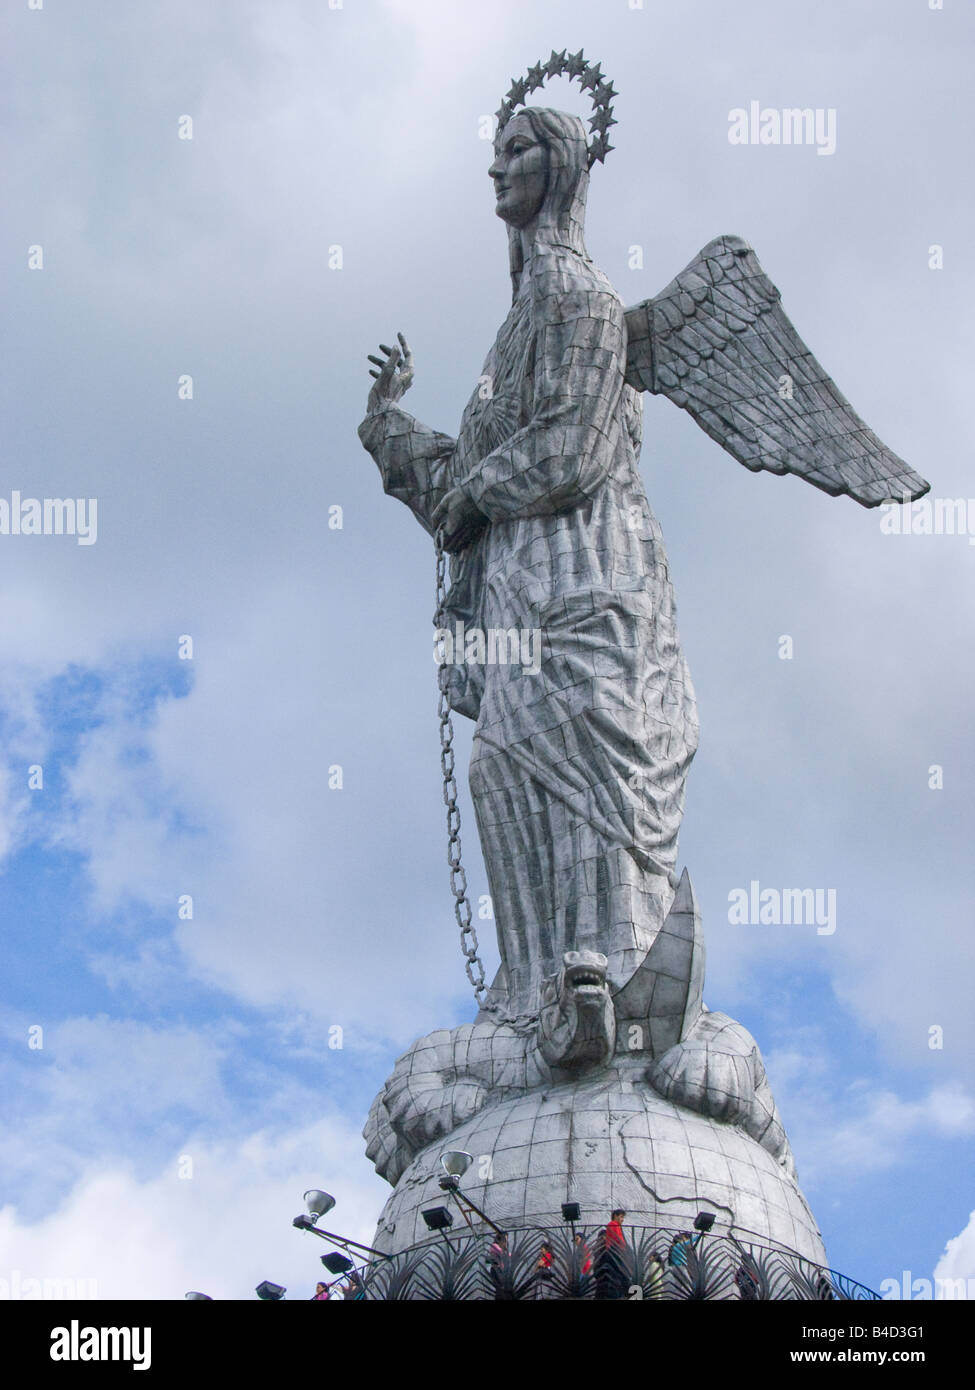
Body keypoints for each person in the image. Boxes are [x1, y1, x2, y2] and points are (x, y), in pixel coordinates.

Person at [359, 104, 699, 1023]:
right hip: (521, 586)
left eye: (516, 152)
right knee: (500, 768)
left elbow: (572, 451)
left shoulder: (580, 298)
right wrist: (388, 425)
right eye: (493, 152)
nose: (496, 170)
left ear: (560, 166)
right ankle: (532, 985)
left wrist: (473, 493)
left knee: (584, 756)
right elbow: (461, 501)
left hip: (590, 578)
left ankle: (607, 972)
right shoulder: (515, 327)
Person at [596, 1209, 628, 1299]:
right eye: (621, 1217)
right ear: (615, 1216)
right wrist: (623, 1249)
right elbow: (618, 1239)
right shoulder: (613, 1224)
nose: (622, 1219)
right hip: (615, 1251)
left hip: (614, 1251)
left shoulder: (614, 1225)